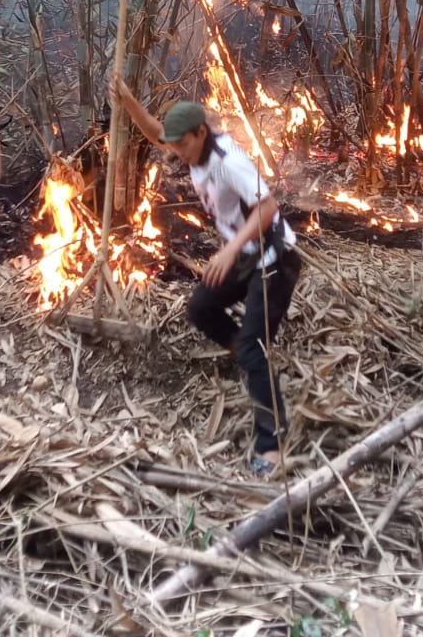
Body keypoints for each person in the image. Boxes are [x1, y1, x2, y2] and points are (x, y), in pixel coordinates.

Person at [110, 76, 302, 478]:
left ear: (202, 132)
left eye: (183, 144)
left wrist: (229, 249)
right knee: (201, 308)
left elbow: (267, 208)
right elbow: (156, 133)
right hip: (244, 254)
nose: (176, 152)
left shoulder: (229, 161)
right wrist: (128, 100)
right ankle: (248, 359)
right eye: (175, 145)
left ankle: (274, 446)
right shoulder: (188, 145)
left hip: (273, 258)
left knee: (255, 347)